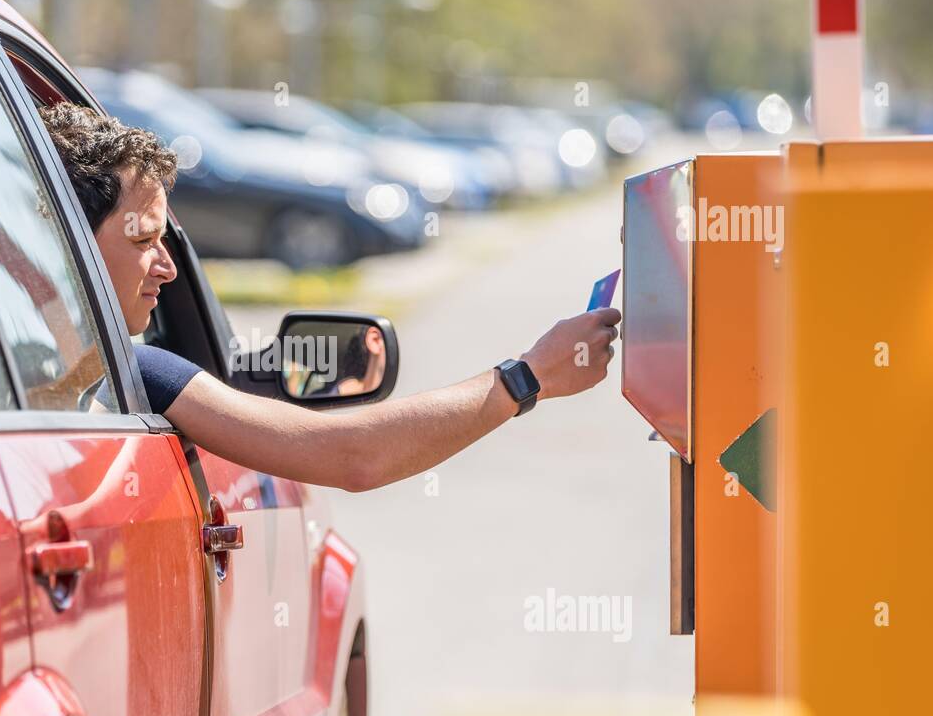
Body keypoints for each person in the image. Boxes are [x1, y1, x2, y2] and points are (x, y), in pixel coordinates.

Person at [39, 102, 620, 493]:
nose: (166, 268)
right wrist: (529, 376)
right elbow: (352, 454)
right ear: (64, 248)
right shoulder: (141, 375)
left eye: (167, 241)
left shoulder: (103, 373)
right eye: (143, 238)